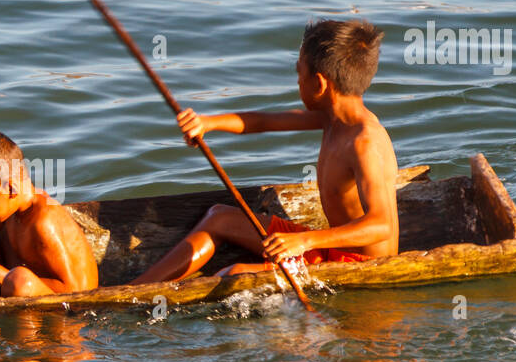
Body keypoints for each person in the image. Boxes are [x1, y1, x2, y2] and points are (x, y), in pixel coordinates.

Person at [132, 19, 399, 283]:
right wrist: (207, 123)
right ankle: (135, 290)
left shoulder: (365, 141)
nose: (297, 82)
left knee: (232, 275)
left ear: (319, 84)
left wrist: (303, 241)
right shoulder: (331, 118)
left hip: (362, 265)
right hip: (330, 248)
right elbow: (261, 122)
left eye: (299, 73)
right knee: (219, 217)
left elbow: (381, 224)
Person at [0, 131, 98, 298]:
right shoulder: (6, 210)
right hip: (26, 293)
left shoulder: (43, 222)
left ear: (11, 189)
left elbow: (76, 291)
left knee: (19, 281)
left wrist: (2, 276)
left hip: (75, 307)